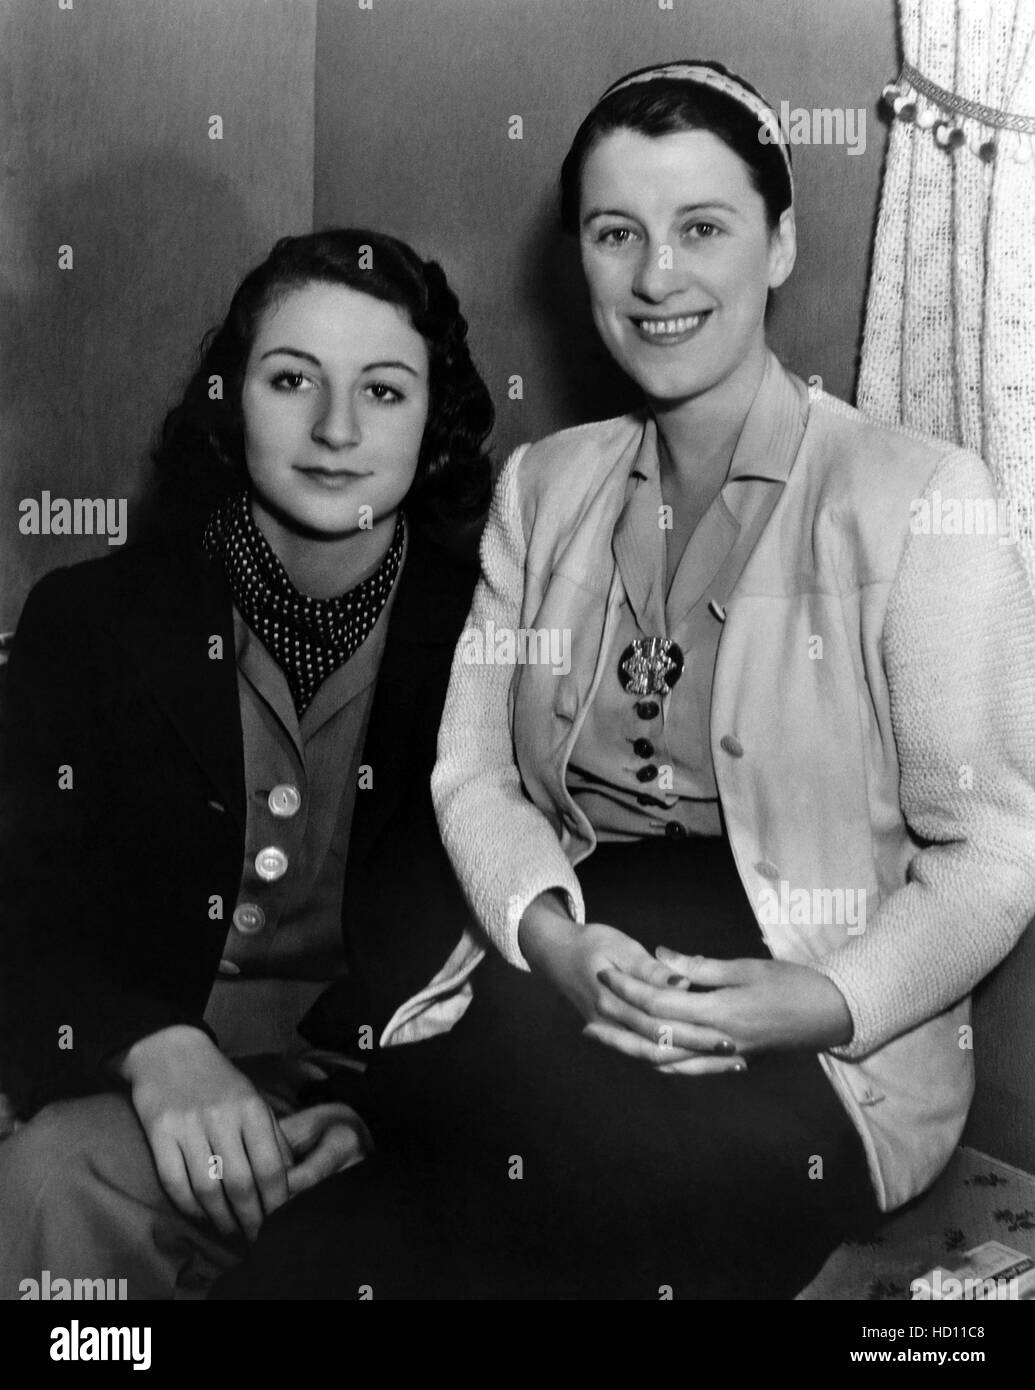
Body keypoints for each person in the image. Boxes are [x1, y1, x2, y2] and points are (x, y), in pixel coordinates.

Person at [213, 61, 1035, 1301]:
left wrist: (812, 1002)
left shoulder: (920, 500)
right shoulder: (545, 489)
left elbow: (993, 849)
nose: (656, 277)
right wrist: (553, 943)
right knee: (312, 1267)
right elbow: (475, 771)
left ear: (780, 243)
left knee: (588, 1223)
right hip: (559, 989)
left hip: (805, 1048)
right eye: (616, 234)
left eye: (702, 227)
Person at [0, 228, 493, 1299]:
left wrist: (384, 1114)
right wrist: (151, 1047)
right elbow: (22, 911)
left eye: (386, 391)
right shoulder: (89, 620)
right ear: (233, 399)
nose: (335, 430)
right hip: (151, 1100)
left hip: (403, 1099)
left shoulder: (493, 636)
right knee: (49, 1180)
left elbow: (533, 945)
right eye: (291, 380)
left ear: (436, 422)